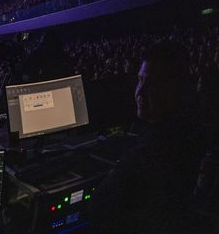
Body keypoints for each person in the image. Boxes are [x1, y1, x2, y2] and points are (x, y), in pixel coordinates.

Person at [88, 40, 206, 234]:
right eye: (140, 80)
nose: (140, 92)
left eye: (152, 85)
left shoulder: (163, 145)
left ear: (177, 89)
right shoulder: (190, 127)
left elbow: (100, 205)